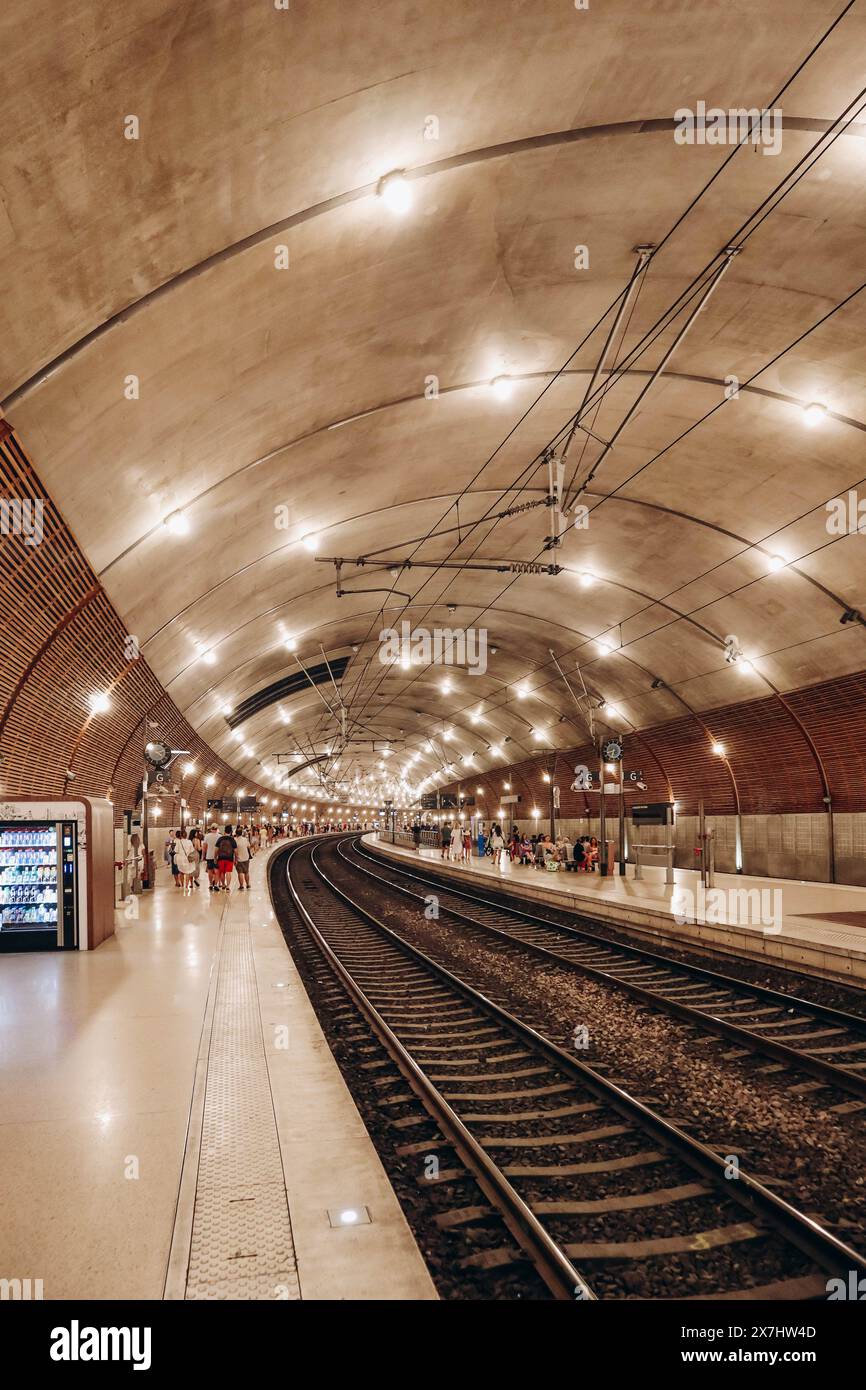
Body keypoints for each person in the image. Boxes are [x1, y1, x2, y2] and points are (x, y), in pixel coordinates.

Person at [173, 829, 196, 895]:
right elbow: (192, 850)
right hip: (187, 858)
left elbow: (176, 850)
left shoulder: (178, 842)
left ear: (180, 835)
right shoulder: (189, 842)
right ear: (186, 835)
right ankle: (186, 886)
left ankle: (182, 885)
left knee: (181, 872)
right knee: (188, 872)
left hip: (180, 859)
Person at [215, 825, 237, 891]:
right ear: (231, 832)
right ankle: (228, 886)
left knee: (222, 872)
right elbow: (236, 851)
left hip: (221, 858)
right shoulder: (232, 839)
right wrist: (236, 859)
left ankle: (223, 884)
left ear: (224, 831)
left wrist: (215, 857)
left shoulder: (220, 839)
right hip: (229, 858)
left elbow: (216, 849)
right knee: (228, 872)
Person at [202, 823, 221, 891]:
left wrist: (203, 856)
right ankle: (215, 884)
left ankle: (210, 884)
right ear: (217, 828)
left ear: (211, 828)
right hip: (217, 856)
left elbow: (204, 847)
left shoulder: (207, 836)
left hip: (209, 855)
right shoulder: (219, 836)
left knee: (210, 870)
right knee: (217, 871)